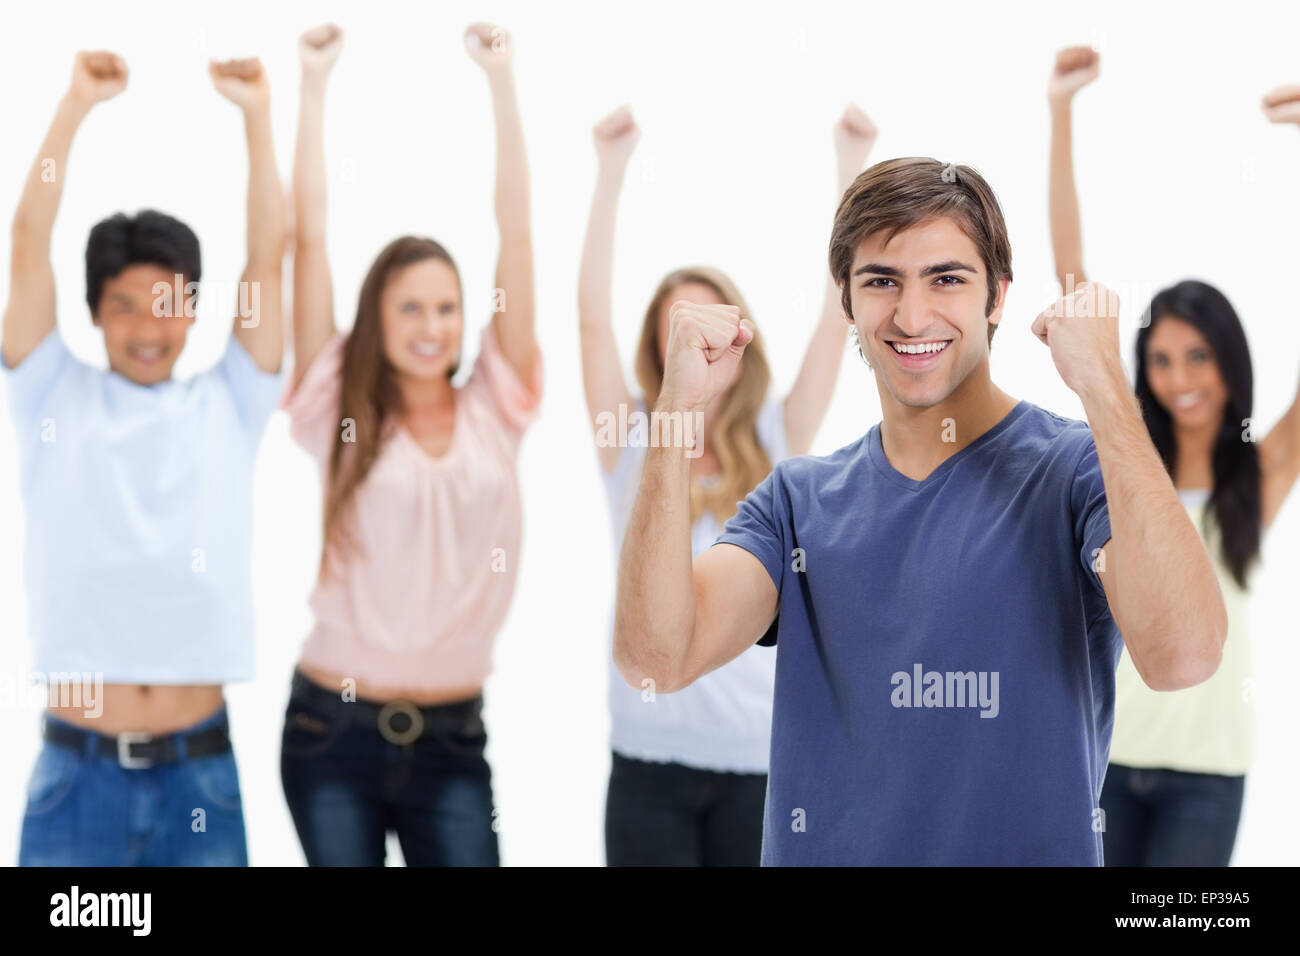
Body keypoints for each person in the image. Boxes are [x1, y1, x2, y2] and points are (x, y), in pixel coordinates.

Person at [614, 156, 1230, 866]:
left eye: (946, 278)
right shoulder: (797, 502)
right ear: (847, 301)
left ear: (997, 296)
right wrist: (676, 413)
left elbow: (1184, 655)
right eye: (881, 281)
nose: (911, 316)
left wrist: (1107, 393)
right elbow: (654, 658)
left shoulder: (1076, 473)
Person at [1, 51, 285, 865]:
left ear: (193, 310)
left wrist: (258, 117)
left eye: (166, 304)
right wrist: (76, 103)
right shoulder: (50, 393)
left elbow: (270, 259)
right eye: (123, 305)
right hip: (74, 775)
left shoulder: (231, 400)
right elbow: (26, 241)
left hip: (200, 778)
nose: (147, 326)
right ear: (93, 312)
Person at [579, 103, 873, 866]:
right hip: (648, 761)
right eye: (680, 334)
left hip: (758, 762)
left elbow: (837, 319)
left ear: (742, 345)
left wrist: (852, 164)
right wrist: (608, 174)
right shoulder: (632, 440)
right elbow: (588, 322)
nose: (699, 346)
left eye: (712, 330)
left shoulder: (777, 438)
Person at [278, 23, 541, 867]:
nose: (433, 327)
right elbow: (308, 240)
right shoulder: (335, 412)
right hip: (331, 727)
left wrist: (500, 81)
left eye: (446, 307)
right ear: (375, 319)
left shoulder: (496, 405)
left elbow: (518, 236)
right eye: (410, 308)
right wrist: (313, 84)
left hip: (453, 735)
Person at [1048, 46, 1300, 866]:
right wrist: (1060, 112)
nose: (1180, 378)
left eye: (1200, 357)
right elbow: (1075, 286)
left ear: (1229, 362)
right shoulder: (1126, 463)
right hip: (1107, 755)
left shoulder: (1260, 471)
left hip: (1209, 771)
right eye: (1162, 358)